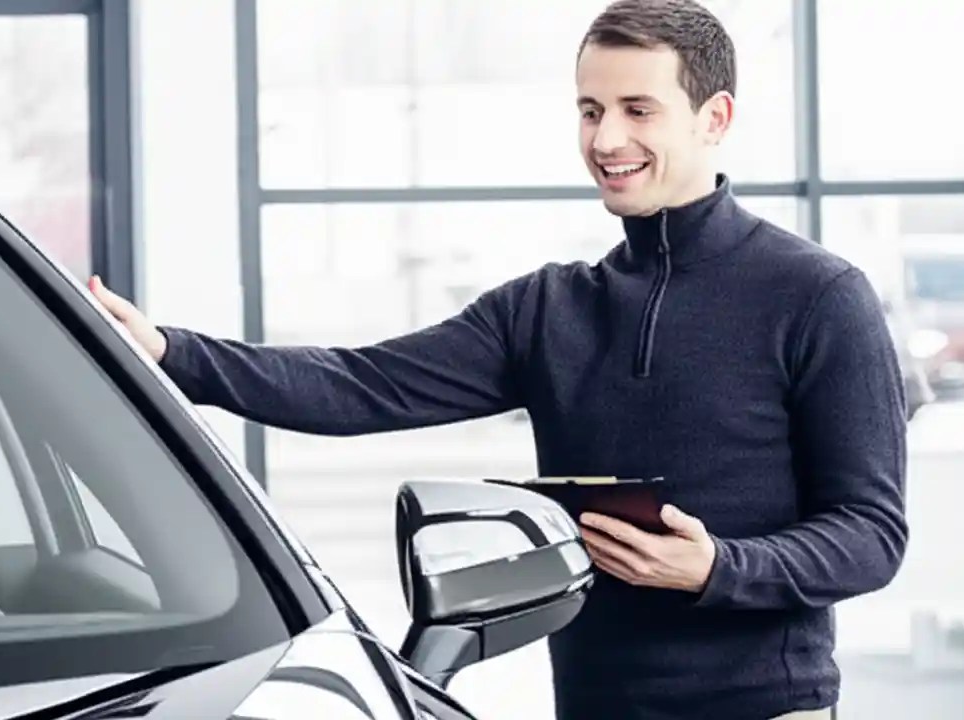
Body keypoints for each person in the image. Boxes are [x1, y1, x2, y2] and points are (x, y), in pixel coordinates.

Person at [89, 0, 908, 717]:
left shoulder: (819, 294)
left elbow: (871, 533)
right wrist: (167, 351)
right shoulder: (548, 308)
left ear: (714, 117)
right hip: (594, 706)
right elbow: (362, 386)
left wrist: (720, 568)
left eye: (637, 109)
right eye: (589, 110)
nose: (606, 139)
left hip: (762, 711)